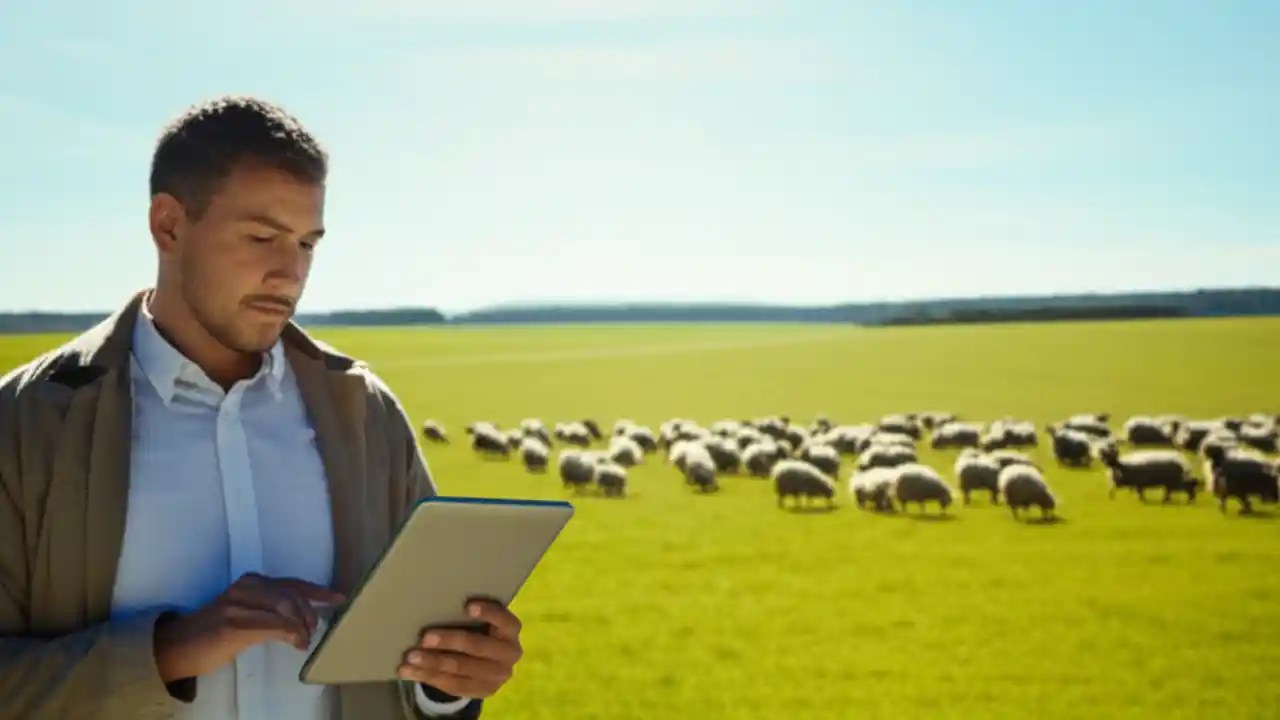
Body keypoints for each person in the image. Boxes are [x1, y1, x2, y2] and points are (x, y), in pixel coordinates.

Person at [0, 96, 524, 719]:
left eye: (307, 243)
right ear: (168, 225)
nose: (291, 273)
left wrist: (448, 683)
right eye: (262, 237)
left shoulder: (365, 414)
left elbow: (420, 658)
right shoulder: (28, 422)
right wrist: (169, 651)